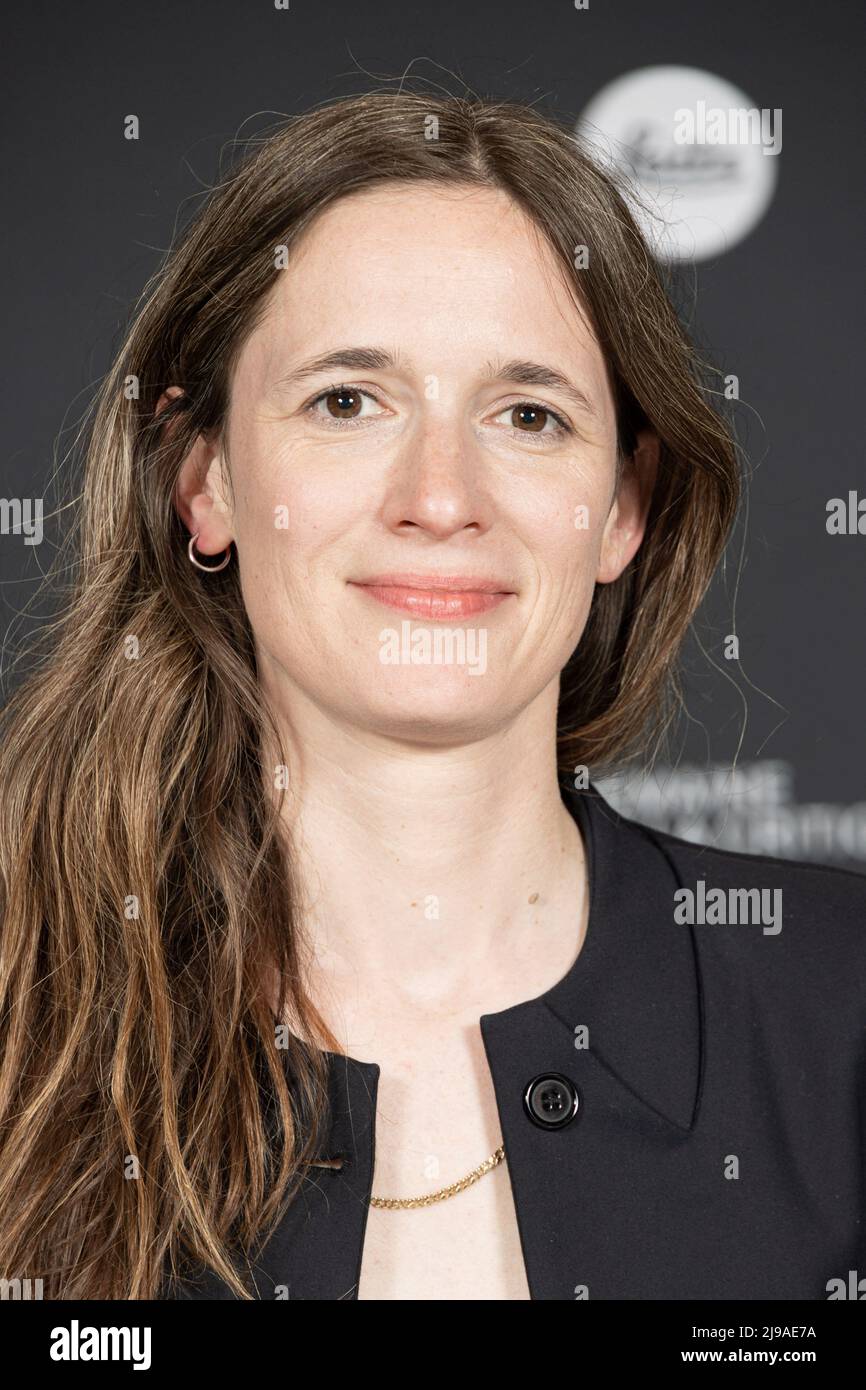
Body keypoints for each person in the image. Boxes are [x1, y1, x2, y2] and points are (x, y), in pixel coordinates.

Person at [0, 88, 862, 1302]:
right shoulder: (21, 1025)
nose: (441, 494)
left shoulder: (840, 1014)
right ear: (205, 484)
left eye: (526, 414)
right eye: (347, 401)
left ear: (619, 508)